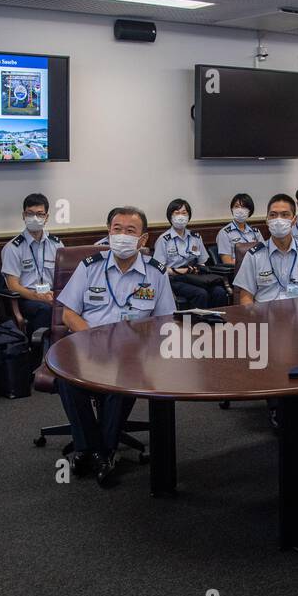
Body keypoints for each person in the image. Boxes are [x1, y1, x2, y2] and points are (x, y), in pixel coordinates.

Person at [55, 206, 176, 486]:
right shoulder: (90, 267)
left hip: (132, 352)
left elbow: (166, 321)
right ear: (108, 232)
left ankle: (99, 451)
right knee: (66, 377)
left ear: (143, 239)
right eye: (116, 229)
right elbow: (68, 314)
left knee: (123, 377)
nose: (122, 235)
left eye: (130, 231)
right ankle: (92, 448)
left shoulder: (156, 273)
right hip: (88, 347)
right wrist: (91, 339)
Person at [233, 193, 298, 303]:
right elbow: (245, 297)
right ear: (267, 220)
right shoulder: (254, 255)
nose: (278, 220)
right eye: (273, 215)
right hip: (265, 315)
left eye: (285, 215)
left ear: (294, 220)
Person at [0, 193, 63, 337]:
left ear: (46, 217)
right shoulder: (13, 248)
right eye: (30, 214)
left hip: (52, 295)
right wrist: (37, 296)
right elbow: (13, 286)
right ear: (23, 215)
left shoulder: (57, 244)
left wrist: (54, 296)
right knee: (44, 309)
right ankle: (40, 354)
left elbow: (64, 278)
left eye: (40, 214)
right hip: (26, 298)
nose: (35, 218)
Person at [152, 198, 227, 309]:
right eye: (177, 213)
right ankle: (197, 324)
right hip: (174, 279)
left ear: (188, 216)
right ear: (170, 216)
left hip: (194, 276)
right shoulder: (164, 240)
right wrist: (179, 271)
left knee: (219, 291)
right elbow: (159, 269)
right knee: (200, 294)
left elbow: (202, 262)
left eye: (184, 213)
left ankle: (217, 323)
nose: (180, 216)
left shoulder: (195, 237)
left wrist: (199, 271)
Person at [215, 193, 263, 264]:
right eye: (237, 206)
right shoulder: (224, 233)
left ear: (249, 211)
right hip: (237, 272)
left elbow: (263, 254)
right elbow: (227, 262)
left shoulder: (256, 232)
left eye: (244, 207)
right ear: (232, 209)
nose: (240, 210)